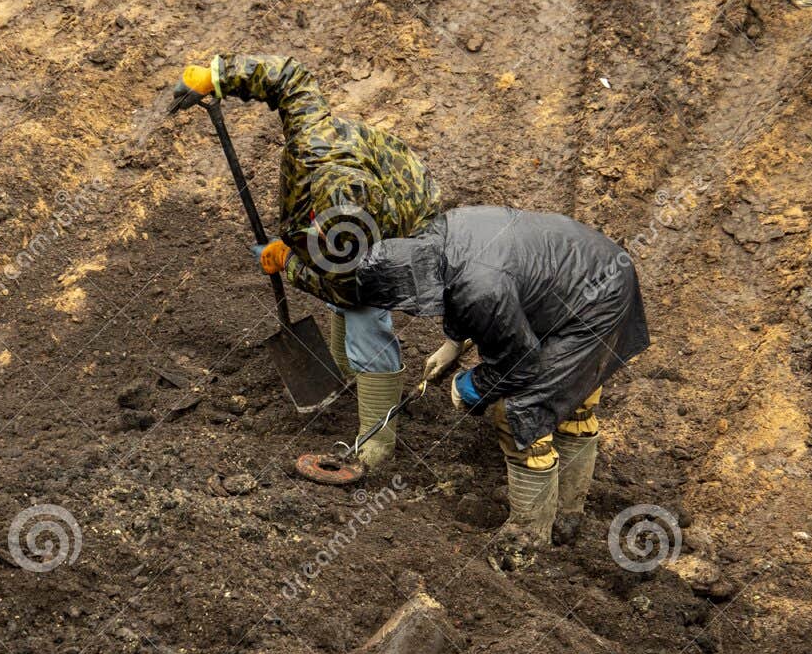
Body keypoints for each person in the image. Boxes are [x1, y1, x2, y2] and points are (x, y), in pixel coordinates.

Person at [172, 54, 440, 469]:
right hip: (385, 178)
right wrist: (217, 77)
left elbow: (348, 287)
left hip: (408, 221)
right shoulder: (313, 138)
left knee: (363, 310)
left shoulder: (361, 230)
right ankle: (345, 373)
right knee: (341, 292)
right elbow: (289, 78)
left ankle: (377, 441)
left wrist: (288, 263)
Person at [352, 206, 650, 554]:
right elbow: (463, 287)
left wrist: (471, 387)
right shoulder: (440, 234)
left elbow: (520, 363)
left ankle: (527, 539)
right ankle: (567, 516)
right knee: (571, 398)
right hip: (589, 269)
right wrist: (453, 344)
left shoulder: (481, 289)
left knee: (520, 411)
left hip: (595, 302)